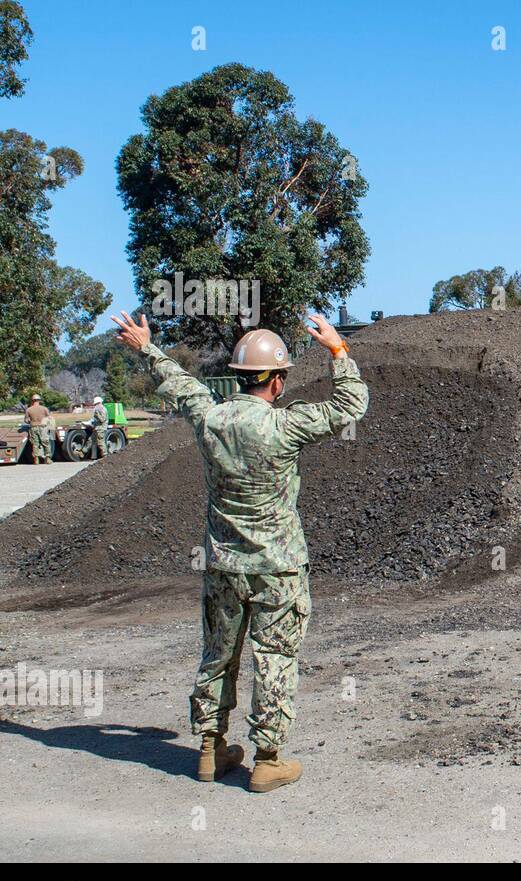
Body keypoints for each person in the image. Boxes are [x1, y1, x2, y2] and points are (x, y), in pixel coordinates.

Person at [110, 310, 369, 793]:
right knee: (274, 656)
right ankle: (268, 760)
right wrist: (338, 350)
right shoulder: (287, 425)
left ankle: (211, 749)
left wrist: (147, 346)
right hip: (278, 567)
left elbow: (179, 383)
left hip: (224, 564)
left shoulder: (210, 417)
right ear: (276, 380)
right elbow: (351, 405)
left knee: (218, 653)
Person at [23, 394, 54, 464]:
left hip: (33, 428)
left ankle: (36, 460)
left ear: (32, 400)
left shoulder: (28, 410)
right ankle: (48, 459)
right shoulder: (44, 408)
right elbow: (49, 418)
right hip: (43, 428)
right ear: (39, 400)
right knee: (46, 443)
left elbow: (26, 420)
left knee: (35, 444)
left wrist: (30, 420)